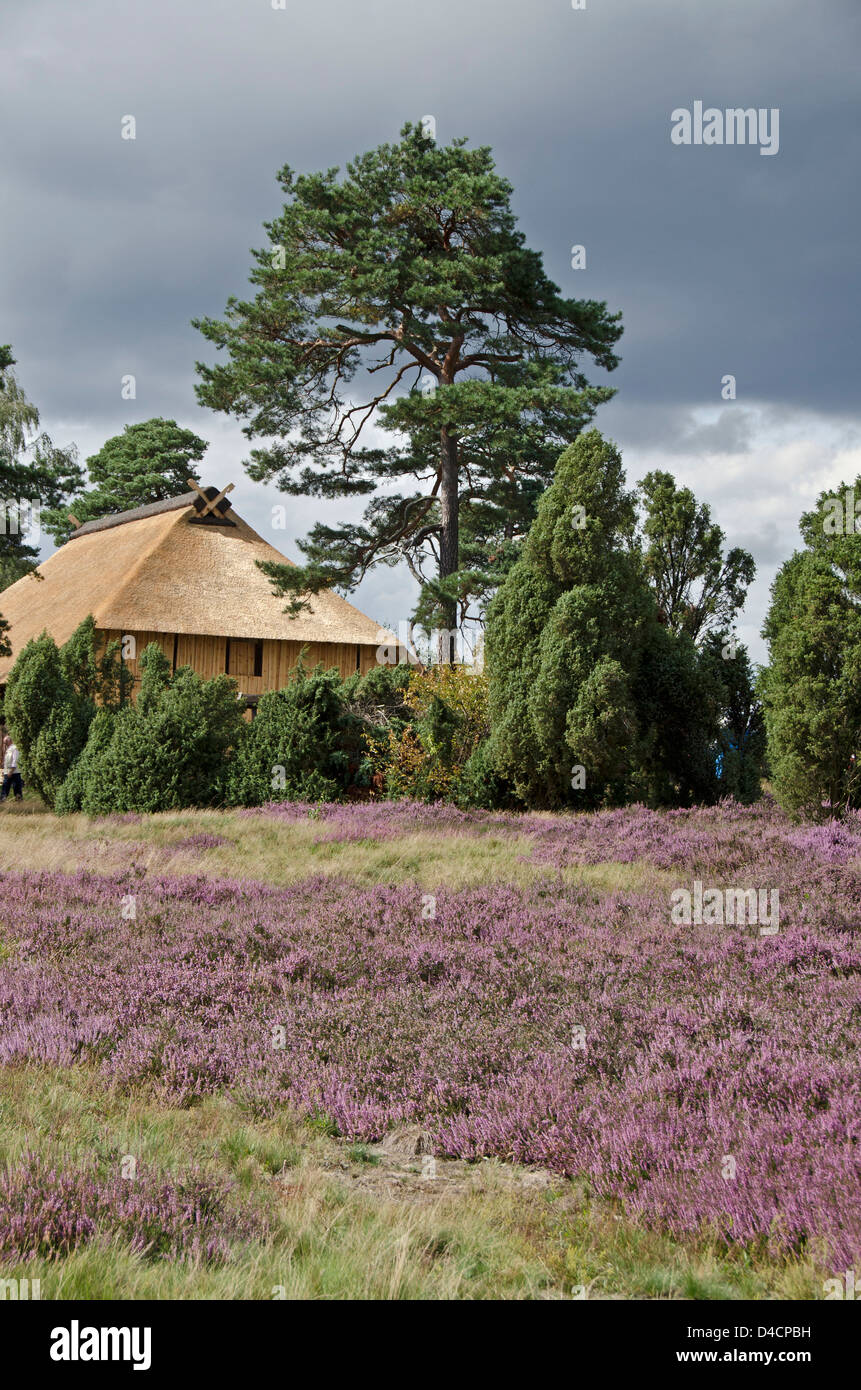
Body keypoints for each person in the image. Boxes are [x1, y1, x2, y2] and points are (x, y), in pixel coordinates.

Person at [0, 736, 23, 802]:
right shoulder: (8, 749)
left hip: (14, 772)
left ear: (9, 741)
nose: (5, 744)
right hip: (7, 772)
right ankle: (2, 801)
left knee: (17, 788)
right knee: (5, 787)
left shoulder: (14, 748)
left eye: (5, 742)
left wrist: (11, 771)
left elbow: (15, 760)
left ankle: (19, 802)